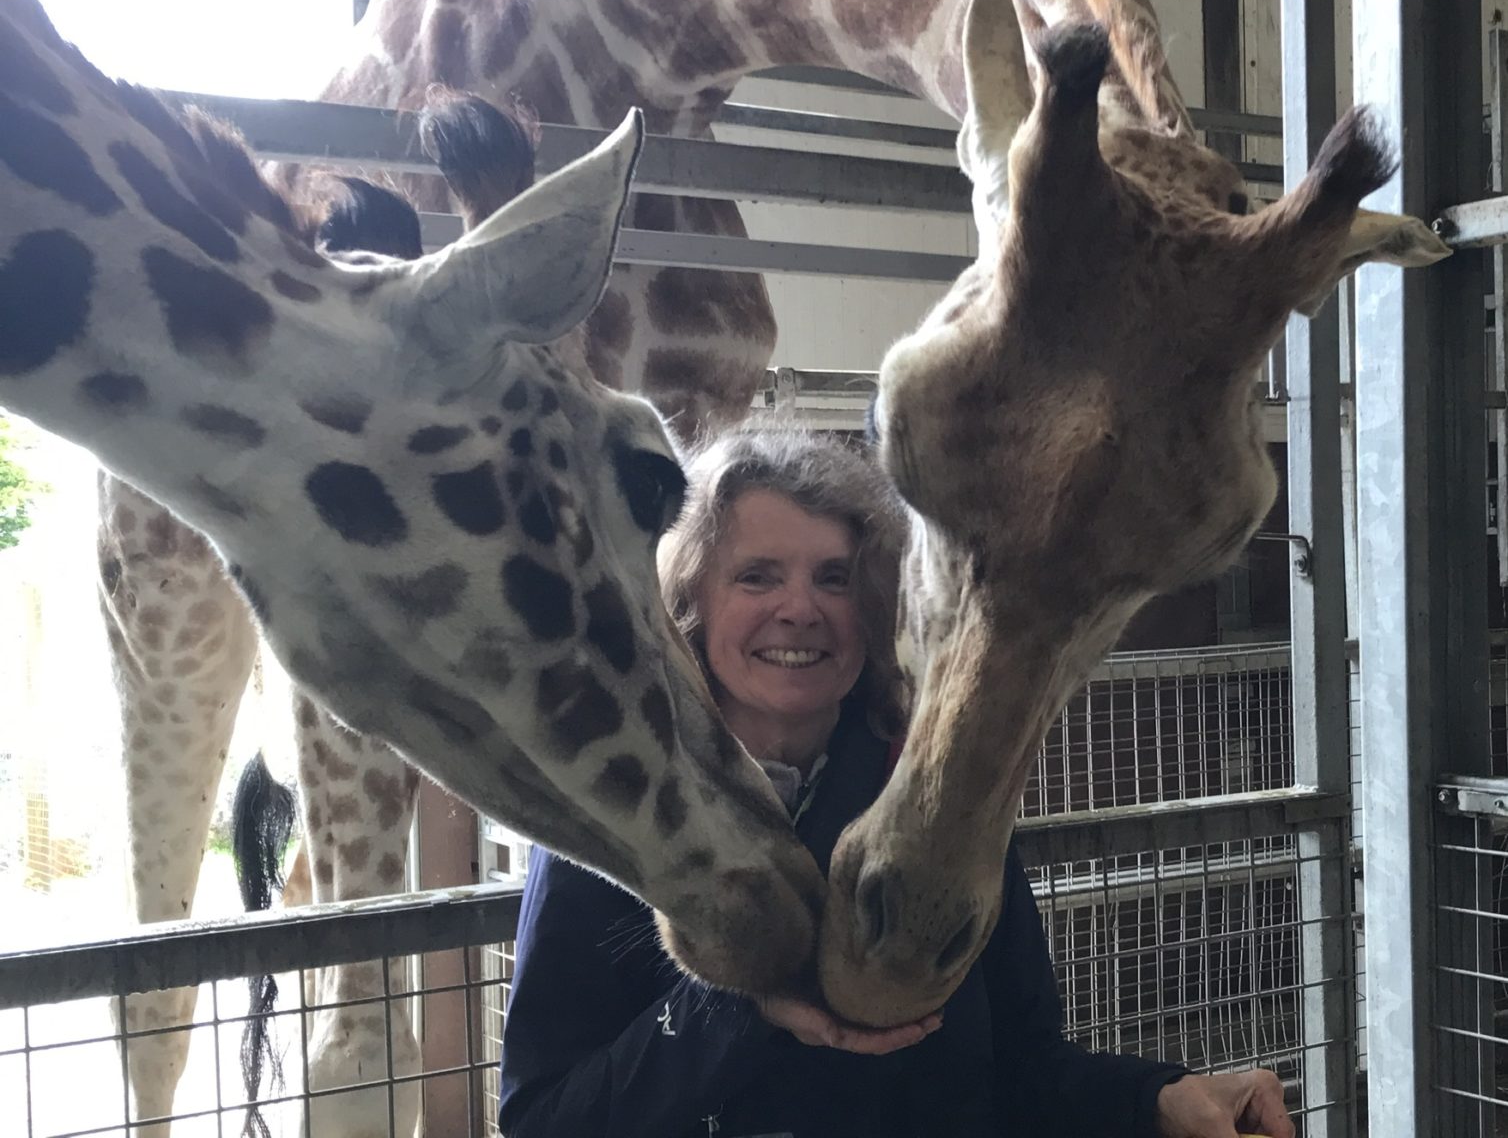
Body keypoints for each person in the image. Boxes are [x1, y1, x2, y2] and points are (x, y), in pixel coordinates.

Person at [497, 422, 1294, 1138]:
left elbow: (1022, 1069)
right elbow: (543, 1122)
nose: (800, 609)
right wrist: (738, 999)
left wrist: (1160, 1098)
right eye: (758, 576)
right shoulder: (617, 815)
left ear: (875, 602)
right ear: (690, 605)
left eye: (835, 579)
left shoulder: (932, 802)